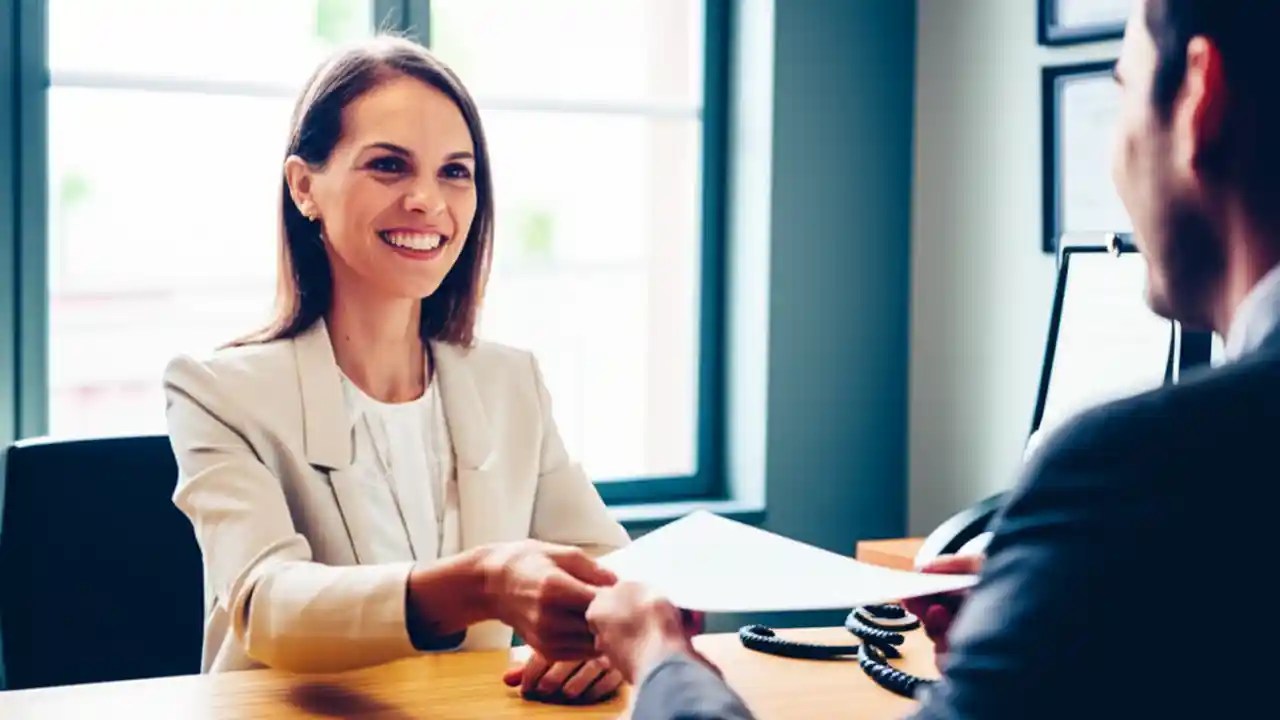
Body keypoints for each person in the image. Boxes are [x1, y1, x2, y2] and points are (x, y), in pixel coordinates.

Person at [587, 0, 1280, 716]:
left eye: (1123, 90)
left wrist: (661, 659)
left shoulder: (1126, 473)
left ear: (1200, 97)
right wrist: (1044, 616)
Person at [164, 36, 630, 705]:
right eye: (388, 165)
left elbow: (610, 569)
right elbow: (268, 605)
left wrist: (605, 642)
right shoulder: (218, 392)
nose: (426, 200)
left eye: (455, 172)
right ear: (304, 187)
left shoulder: (511, 383)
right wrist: (482, 582)